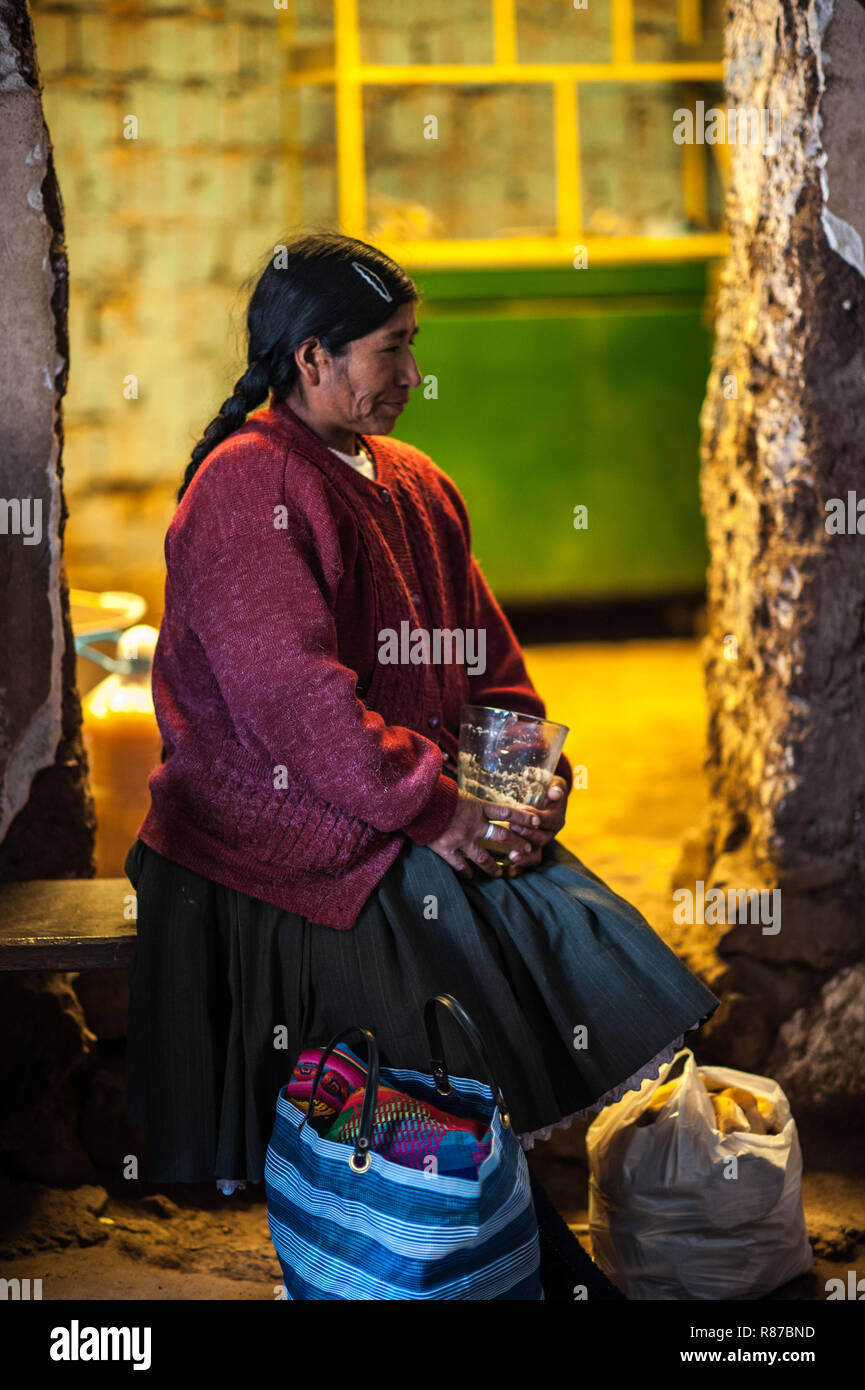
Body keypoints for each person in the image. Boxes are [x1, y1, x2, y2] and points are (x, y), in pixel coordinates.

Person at [123, 231, 720, 1299]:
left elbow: (490, 663)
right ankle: (483, 1247)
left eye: (414, 346)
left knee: (558, 910)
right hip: (275, 845)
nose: (410, 374)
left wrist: (520, 772)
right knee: (428, 995)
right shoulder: (244, 490)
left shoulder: (417, 484)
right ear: (311, 359)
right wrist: (435, 809)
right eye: (388, 349)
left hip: (388, 804)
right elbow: (295, 703)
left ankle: (499, 1236)